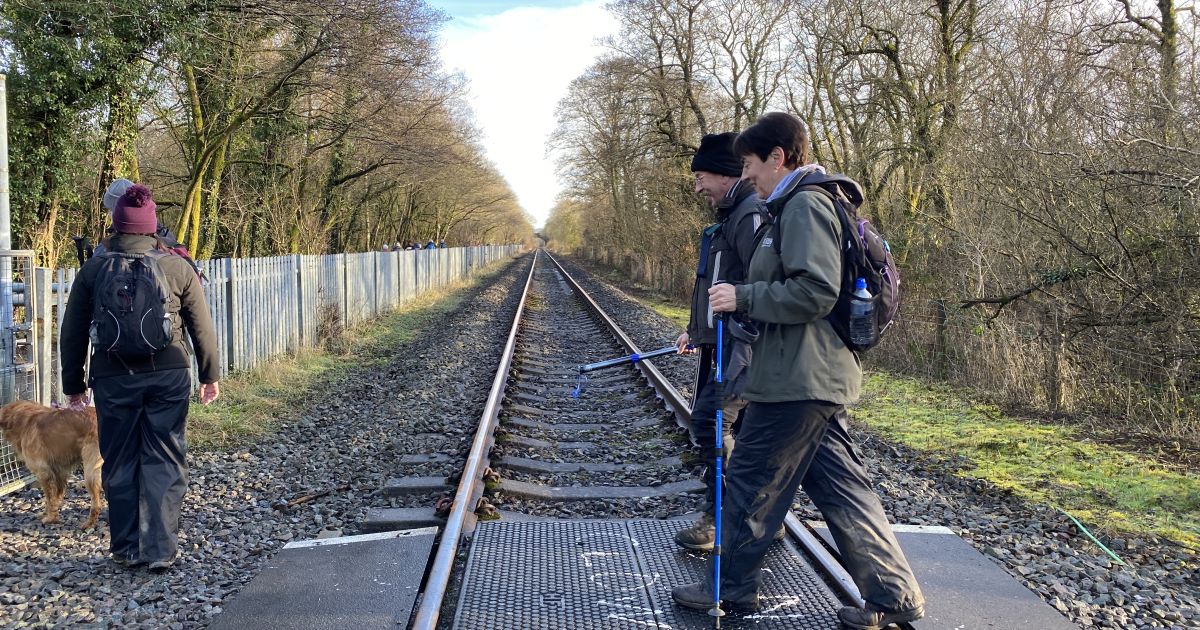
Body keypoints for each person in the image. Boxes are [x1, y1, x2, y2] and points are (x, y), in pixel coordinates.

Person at [670, 112, 925, 630]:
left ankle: (730, 590)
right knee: (841, 488)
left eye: (748, 164)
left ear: (777, 157)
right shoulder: (802, 203)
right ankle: (894, 596)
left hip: (797, 379)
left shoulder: (806, 204)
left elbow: (814, 290)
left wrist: (741, 295)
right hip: (814, 376)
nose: (746, 175)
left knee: (748, 481)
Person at [60, 184, 221, 572]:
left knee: (119, 459)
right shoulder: (177, 267)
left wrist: (74, 386)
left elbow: (73, 330)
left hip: (113, 378)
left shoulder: (95, 268)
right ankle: (160, 549)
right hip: (167, 374)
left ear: (117, 226)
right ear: (151, 228)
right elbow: (202, 327)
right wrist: (209, 374)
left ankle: (126, 548)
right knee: (164, 455)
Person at [672, 132, 767, 551]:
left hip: (743, 350)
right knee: (740, 433)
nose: (697, 188)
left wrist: (737, 339)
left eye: (701, 177)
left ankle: (722, 523)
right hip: (724, 345)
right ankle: (759, 519)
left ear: (726, 174)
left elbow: (757, 285)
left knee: (711, 425)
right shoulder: (732, 216)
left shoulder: (749, 215)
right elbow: (720, 286)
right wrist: (698, 332)